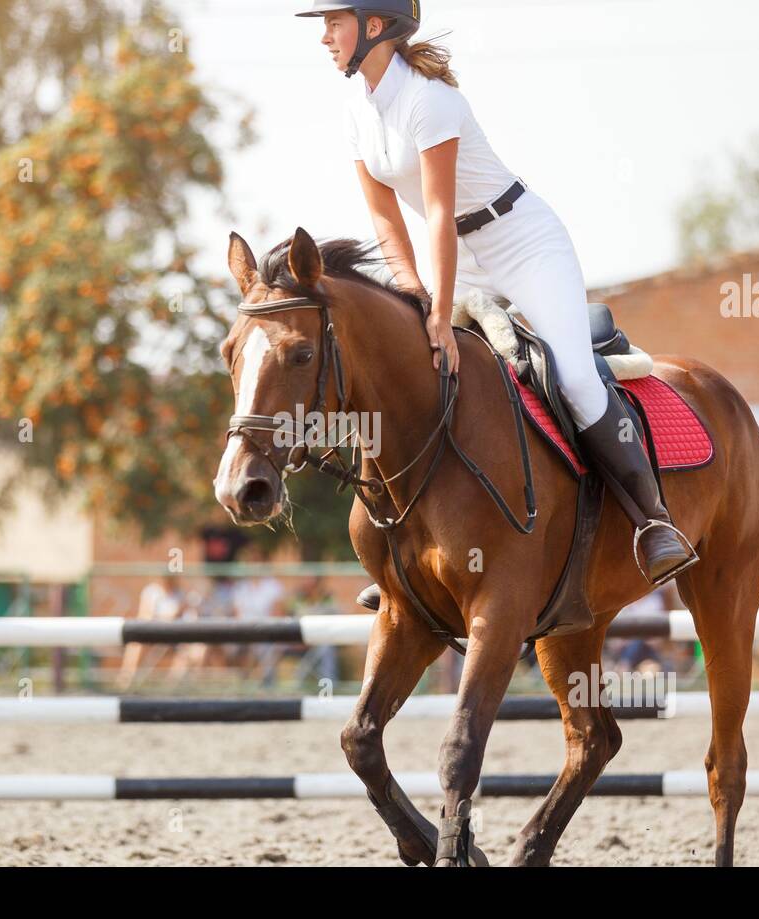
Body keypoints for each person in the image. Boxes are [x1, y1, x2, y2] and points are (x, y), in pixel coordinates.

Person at [295, 3, 697, 612]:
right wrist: (414, 295)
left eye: (334, 21)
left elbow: (434, 209)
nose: (324, 35)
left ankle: (653, 521)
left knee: (573, 378)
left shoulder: (429, 100)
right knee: (417, 375)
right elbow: (385, 218)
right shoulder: (358, 112)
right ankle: (407, 550)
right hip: (454, 251)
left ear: (374, 26)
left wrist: (442, 305)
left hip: (523, 243)